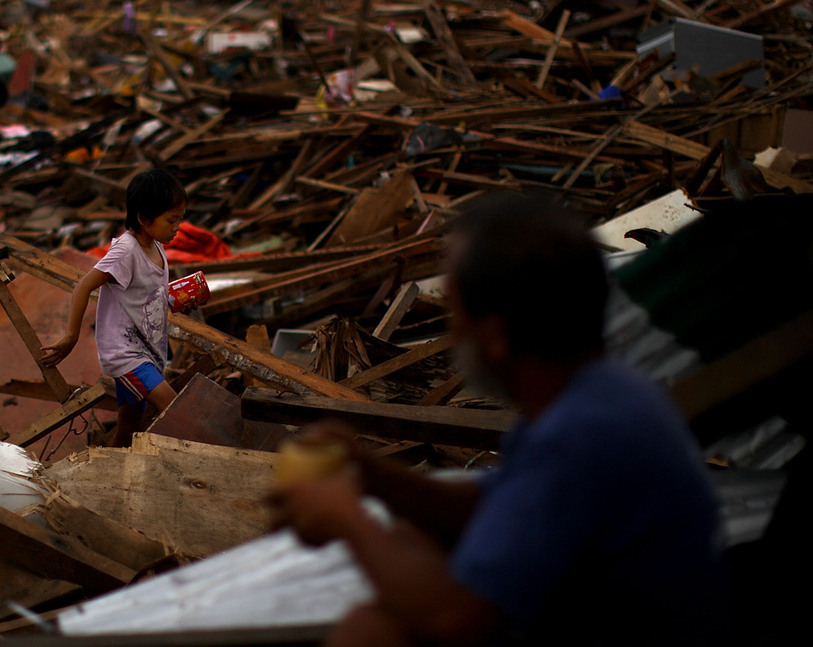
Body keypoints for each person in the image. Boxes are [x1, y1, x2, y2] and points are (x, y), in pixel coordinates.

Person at [269, 194, 728, 646]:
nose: (452, 331)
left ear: (495, 337)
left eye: (457, 312)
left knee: (370, 630)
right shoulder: (598, 395)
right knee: (388, 596)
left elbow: (458, 618)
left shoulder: (580, 436)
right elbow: (493, 509)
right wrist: (374, 477)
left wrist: (346, 518)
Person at [42, 168, 186, 447]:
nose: (177, 227)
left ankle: (105, 469)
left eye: (179, 219)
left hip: (149, 352)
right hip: (127, 357)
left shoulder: (156, 247)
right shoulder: (126, 251)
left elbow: (146, 296)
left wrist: (176, 299)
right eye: (172, 220)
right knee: (173, 408)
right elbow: (84, 286)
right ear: (144, 218)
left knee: (129, 428)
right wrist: (71, 336)